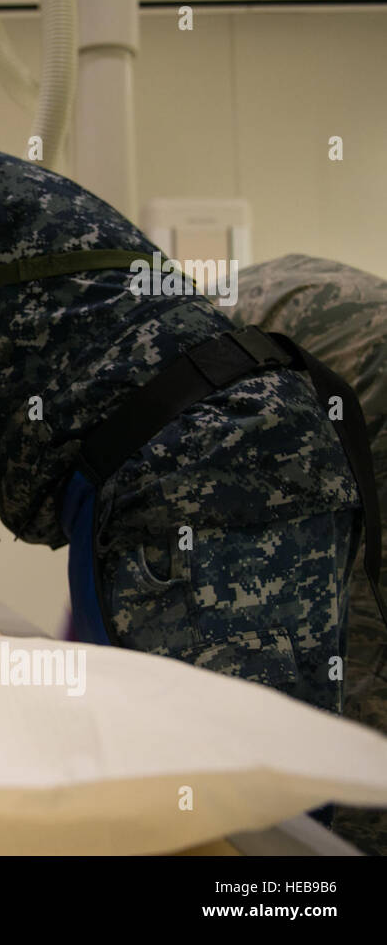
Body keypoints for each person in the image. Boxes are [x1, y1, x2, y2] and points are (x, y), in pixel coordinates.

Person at [0, 100, 382, 721]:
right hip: (291, 461)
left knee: (187, 763)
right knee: (287, 771)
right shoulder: (15, 203)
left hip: (188, 481)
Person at [227, 254, 387, 854]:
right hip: (343, 379)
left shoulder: (176, 348)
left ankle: (350, 843)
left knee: (364, 639)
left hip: (360, 395)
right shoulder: (230, 303)